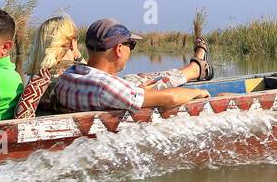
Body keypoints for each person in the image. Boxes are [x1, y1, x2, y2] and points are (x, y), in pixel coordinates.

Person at [52, 18, 213, 113]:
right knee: (156, 86)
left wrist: (137, 91)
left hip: (102, 96)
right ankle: (196, 69)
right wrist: (197, 92)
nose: (131, 50)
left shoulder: (69, 74)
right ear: (119, 49)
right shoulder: (108, 88)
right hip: (108, 97)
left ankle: (195, 69)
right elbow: (171, 98)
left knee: (140, 79)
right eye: (131, 45)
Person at [13, 14, 82, 118]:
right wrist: (77, 54)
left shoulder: (38, 80)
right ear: (72, 43)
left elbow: (21, 117)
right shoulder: (78, 78)